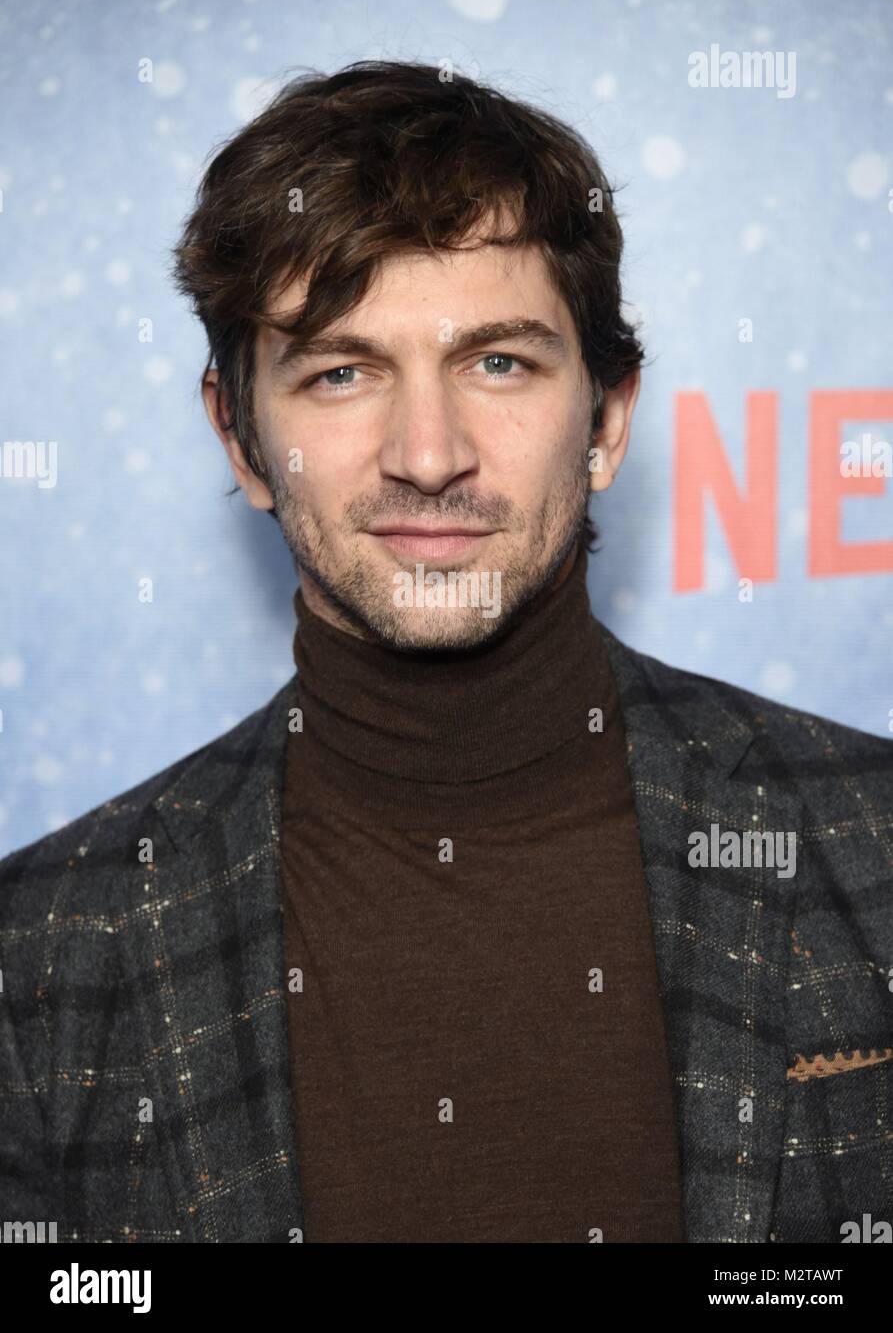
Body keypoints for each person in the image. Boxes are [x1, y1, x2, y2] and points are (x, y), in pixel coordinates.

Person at [1, 61, 890, 1245]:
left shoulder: (869, 839)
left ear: (609, 419)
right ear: (241, 436)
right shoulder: (43, 955)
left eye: (498, 362)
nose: (427, 453)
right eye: (341, 371)